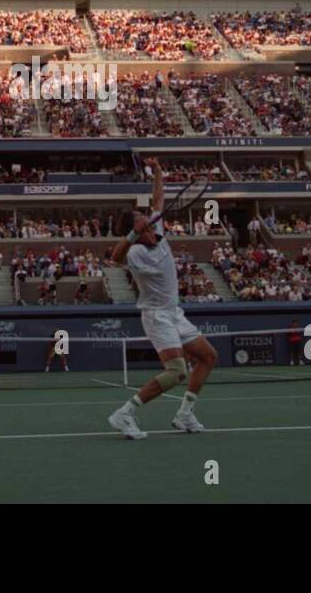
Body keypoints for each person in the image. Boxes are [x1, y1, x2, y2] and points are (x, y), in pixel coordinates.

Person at [107, 158, 217, 439]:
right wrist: (133, 234)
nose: (146, 215)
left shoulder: (158, 231)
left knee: (207, 357)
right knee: (176, 371)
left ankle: (184, 414)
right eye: (140, 216)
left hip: (174, 312)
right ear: (136, 227)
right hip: (156, 316)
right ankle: (125, 413)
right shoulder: (135, 253)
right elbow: (114, 257)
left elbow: (158, 198)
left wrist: (157, 172)